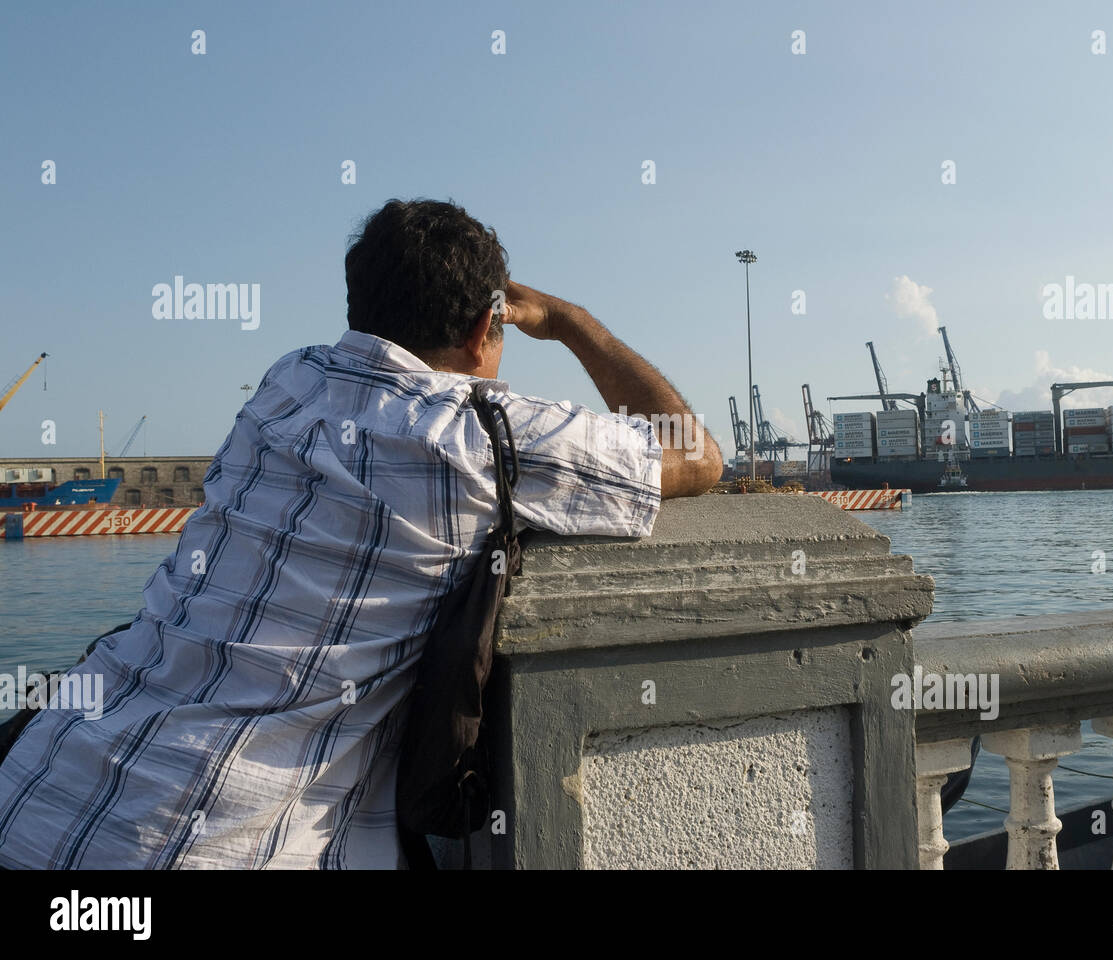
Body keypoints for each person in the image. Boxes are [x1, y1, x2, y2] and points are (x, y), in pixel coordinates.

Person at [0, 199, 722, 869]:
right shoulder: (483, 437)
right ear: (483, 332)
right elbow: (696, 455)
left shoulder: (288, 381)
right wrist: (571, 321)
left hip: (35, 791)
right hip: (199, 846)